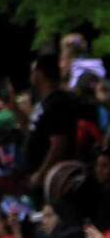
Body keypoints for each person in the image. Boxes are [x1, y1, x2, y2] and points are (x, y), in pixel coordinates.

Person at [26, 53, 80, 194]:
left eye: (33, 71)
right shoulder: (44, 103)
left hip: (53, 180)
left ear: (40, 73)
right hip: (38, 175)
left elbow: (58, 143)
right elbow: (33, 130)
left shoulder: (58, 103)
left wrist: (41, 174)